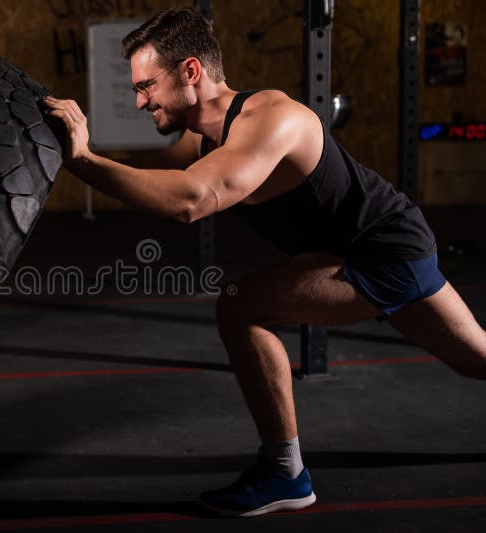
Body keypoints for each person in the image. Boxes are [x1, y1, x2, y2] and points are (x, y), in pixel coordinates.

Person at [42, 6, 486, 518]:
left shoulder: (273, 119)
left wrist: (86, 162)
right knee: (474, 359)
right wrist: (67, 147)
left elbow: (189, 201)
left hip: (387, 251)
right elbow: (155, 181)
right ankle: (285, 472)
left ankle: (285, 474)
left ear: (190, 72)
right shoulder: (200, 133)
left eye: (146, 86)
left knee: (241, 307)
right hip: (347, 253)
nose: (140, 101)